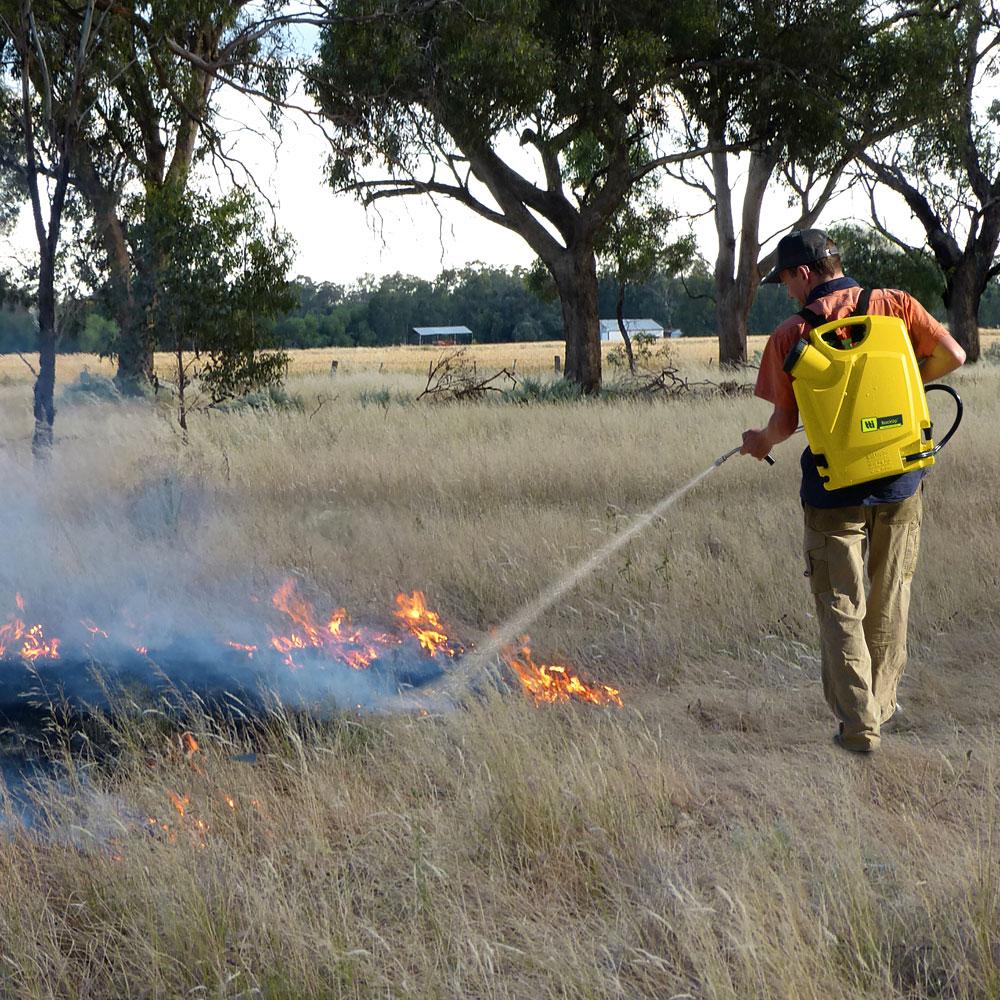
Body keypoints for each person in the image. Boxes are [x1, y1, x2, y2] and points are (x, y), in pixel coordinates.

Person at [741, 228, 965, 754]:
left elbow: (782, 423)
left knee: (840, 602)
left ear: (804, 272)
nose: (788, 293)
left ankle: (859, 725)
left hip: (831, 488)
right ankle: (880, 709)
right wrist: (908, 381)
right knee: (890, 598)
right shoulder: (895, 305)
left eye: (787, 282)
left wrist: (758, 443)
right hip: (901, 479)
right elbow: (952, 354)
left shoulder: (790, 335)